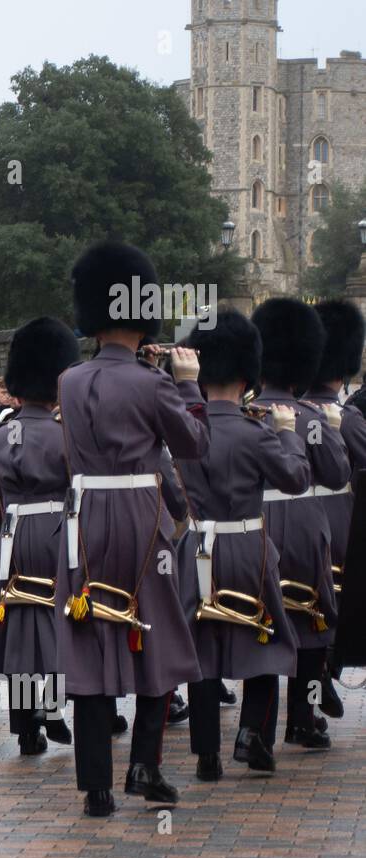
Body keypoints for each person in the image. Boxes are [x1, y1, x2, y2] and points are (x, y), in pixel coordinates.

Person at [52, 242, 209, 819]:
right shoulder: (152, 383)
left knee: (91, 641)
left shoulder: (68, 380)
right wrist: (187, 383)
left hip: (86, 519)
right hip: (143, 519)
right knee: (160, 637)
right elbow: (195, 446)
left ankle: (96, 786)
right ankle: (144, 764)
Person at [173, 310, 308, 779]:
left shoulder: (186, 430)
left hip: (197, 549)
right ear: (248, 374)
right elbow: (295, 479)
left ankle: (207, 755)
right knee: (265, 638)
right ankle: (252, 735)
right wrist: (289, 434)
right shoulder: (257, 432)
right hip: (248, 547)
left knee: (202, 648)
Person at [252, 298, 351, 750]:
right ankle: (302, 720)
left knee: (262, 622)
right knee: (312, 622)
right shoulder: (311, 418)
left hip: (254, 527)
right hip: (305, 527)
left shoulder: (243, 416)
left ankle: (254, 729)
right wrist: (331, 429)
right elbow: (336, 474)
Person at [0, 318, 79, 757]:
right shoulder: (65, 434)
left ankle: (25, 729)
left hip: (12, 536)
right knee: (57, 616)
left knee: (19, 621)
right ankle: (53, 708)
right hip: (57, 529)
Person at [305, 300, 366, 719]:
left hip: (286, 527)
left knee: (303, 614)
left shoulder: (278, 411)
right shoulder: (344, 418)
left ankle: (303, 712)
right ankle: (320, 682)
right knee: (332, 609)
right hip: (340, 523)